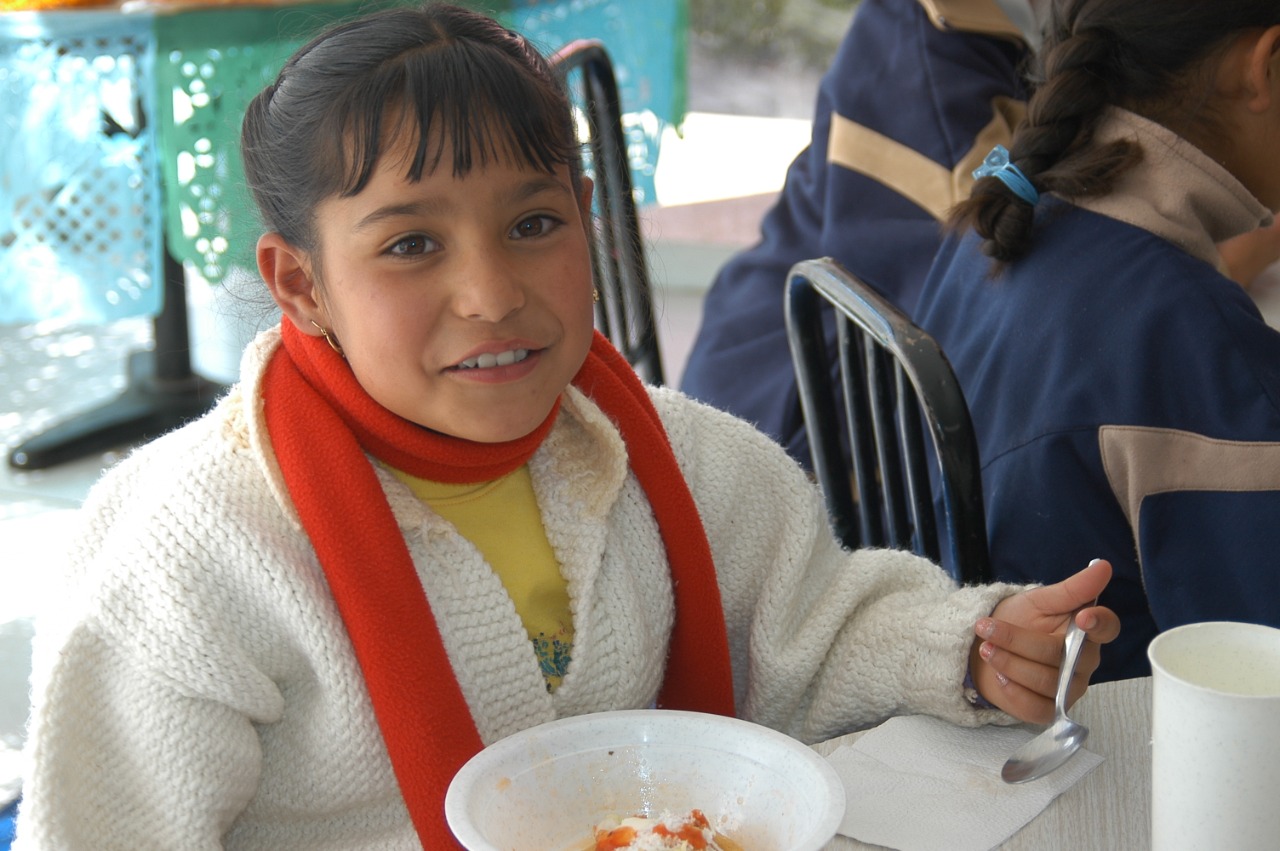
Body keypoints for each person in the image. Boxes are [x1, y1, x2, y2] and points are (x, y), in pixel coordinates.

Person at [14, 4, 1119, 848]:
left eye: (532, 222)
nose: (491, 293)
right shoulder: (189, 554)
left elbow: (809, 632)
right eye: (409, 245)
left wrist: (970, 650)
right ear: (299, 283)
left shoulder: (687, 462)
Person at [914, 0, 1280, 683]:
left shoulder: (990, 227)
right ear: (1262, 67)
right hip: (1112, 746)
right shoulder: (1198, 342)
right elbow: (1261, 662)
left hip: (960, 695)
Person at [680, 0, 1044, 466]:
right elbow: (997, 283)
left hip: (763, 348)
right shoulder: (928, 69)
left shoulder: (934, 30)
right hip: (779, 430)